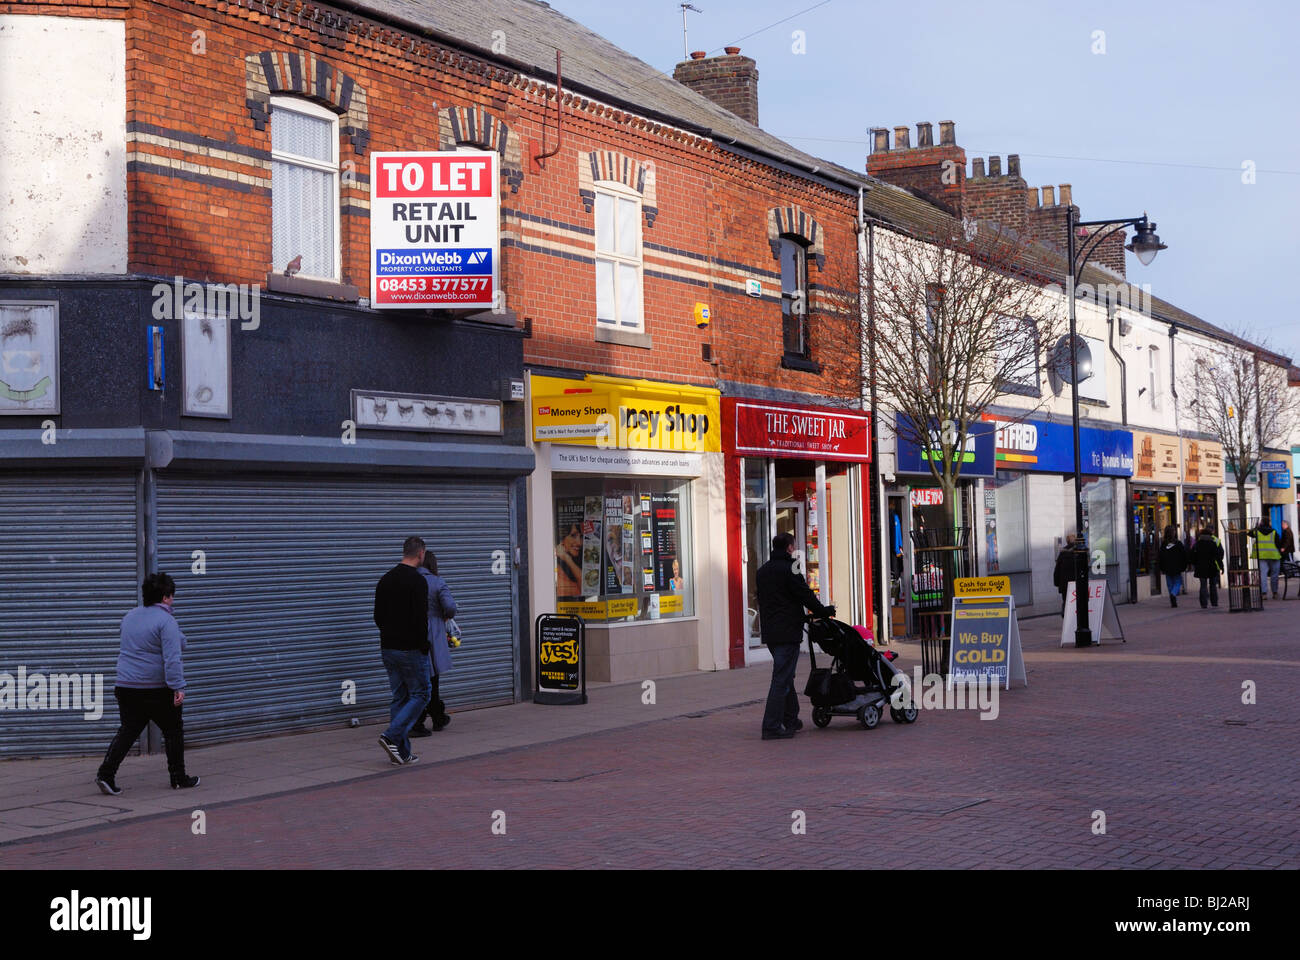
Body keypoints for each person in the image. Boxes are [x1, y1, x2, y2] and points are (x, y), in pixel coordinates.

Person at [95, 572, 198, 795]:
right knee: (173, 731)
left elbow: (141, 644)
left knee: (128, 731)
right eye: (172, 596)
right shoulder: (166, 621)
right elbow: (172, 658)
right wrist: (178, 686)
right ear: (165, 597)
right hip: (155, 689)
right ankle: (178, 777)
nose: (173, 600)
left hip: (125, 686)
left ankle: (106, 774)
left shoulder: (129, 616)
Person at [756, 532, 833, 741]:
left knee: (786, 675)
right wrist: (824, 611)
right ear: (790, 548)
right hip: (788, 631)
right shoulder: (791, 568)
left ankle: (791, 718)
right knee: (781, 678)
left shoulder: (763, 571)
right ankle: (771, 726)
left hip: (771, 633)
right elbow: (805, 595)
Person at [373, 536, 431, 765]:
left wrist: (390, 634)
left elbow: (377, 617)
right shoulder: (417, 581)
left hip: (388, 647)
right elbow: (420, 618)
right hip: (411, 648)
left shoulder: (385, 579)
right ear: (421, 554)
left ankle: (402, 752)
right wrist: (423, 644)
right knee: (421, 693)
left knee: (400, 696)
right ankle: (392, 735)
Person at [410, 551, 457, 737]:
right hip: (432, 635)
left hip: (410, 633)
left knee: (418, 679)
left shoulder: (409, 580)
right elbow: (451, 607)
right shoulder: (437, 582)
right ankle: (425, 718)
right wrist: (444, 615)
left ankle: (436, 715)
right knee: (431, 679)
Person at [1190, 526, 1225, 609]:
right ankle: (1214, 602)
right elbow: (1219, 555)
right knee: (1213, 585)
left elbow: (1192, 556)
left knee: (1203, 585)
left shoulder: (1197, 544)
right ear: (1210, 534)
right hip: (1212, 567)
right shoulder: (1213, 543)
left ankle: (1203, 604)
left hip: (1201, 567)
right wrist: (1221, 567)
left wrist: (1195, 564)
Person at [1252, 517, 1283, 600]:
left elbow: (1249, 533)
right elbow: (1279, 544)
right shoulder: (1274, 531)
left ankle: (1264, 593)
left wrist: (1257, 526)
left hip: (1262, 556)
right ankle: (1275, 593)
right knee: (1274, 575)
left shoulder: (1257, 531)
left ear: (1261, 522)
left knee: (1263, 575)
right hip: (1274, 556)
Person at [1158, 525, 1189, 607]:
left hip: (1167, 568)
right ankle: (1173, 594)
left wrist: (1161, 567)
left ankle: (1172, 597)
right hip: (1177, 567)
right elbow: (1184, 556)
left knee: (1170, 584)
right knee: (1178, 582)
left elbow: (1160, 557)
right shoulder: (1178, 544)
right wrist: (1184, 566)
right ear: (1173, 533)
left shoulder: (1164, 545)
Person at [555, 522, 583, 598]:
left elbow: (587, 588)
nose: (579, 543)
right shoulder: (555, 566)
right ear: (561, 538)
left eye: (581, 537)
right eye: (573, 535)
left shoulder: (576, 562)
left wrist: (568, 559)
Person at [1052, 533, 1077, 615]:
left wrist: (1057, 583)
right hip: (1076, 583)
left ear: (1067, 541)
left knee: (1066, 600)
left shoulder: (1062, 553)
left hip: (1065, 584)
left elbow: (1057, 569)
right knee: (1076, 602)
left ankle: (1066, 615)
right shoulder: (1078, 552)